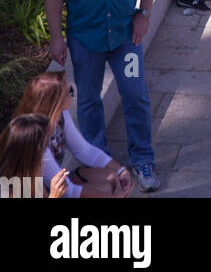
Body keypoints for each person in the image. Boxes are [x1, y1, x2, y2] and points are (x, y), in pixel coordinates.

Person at [43, 0, 160, 192]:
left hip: (126, 36)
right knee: (89, 102)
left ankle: (143, 159)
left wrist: (144, 13)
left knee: (136, 95)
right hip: (85, 39)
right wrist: (57, 38)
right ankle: (100, 163)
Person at [14, 71, 132, 199]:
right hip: (43, 191)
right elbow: (67, 190)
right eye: (69, 92)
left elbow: (84, 150)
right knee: (106, 190)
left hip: (57, 182)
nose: (72, 93)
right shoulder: (35, 139)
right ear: (54, 102)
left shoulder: (61, 115)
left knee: (114, 178)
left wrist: (121, 170)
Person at [0, 116, 69, 199]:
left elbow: (42, 195)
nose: (46, 153)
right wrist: (54, 196)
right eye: (44, 147)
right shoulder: (7, 187)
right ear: (30, 155)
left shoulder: (29, 171)